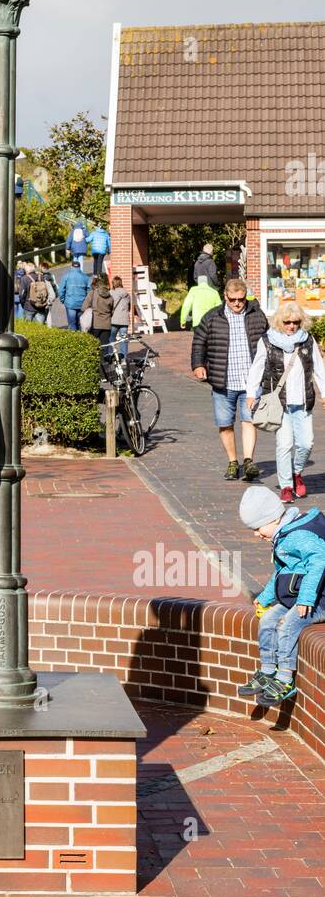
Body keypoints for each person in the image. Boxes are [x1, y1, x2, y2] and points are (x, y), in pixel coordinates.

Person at [238, 485, 325, 706]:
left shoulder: (299, 536)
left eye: (258, 528)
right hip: (297, 597)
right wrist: (266, 598)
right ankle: (268, 670)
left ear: (274, 519)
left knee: (287, 625)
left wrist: (306, 598)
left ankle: (285, 679)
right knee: (267, 619)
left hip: (318, 599)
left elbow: (320, 560)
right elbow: (282, 572)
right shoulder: (284, 535)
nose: (257, 534)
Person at [245, 301, 325, 503]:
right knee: (284, 444)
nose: (291, 326)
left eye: (295, 322)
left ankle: (297, 472)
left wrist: (324, 392)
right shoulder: (268, 341)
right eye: (287, 322)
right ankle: (287, 486)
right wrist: (251, 392)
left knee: (306, 443)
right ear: (280, 321)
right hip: (279, 403)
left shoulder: (307, 340)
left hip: (303, 402)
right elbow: (257, 366)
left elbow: (318, 368)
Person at [191, 277, 268, 481]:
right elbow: (199, 342)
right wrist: (198, 364)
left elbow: (268, 344)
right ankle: (233, 462)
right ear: (225, 296)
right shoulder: (212, 317)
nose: (236, 303)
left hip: (250, 382)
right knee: (225, 424)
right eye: (232, 299)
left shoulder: (257, 316)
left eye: (240, 300)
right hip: (222, 380)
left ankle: (249, 461)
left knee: (249, 420)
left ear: (245, 298)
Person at [81, 274, 112, 347]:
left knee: (93, 346)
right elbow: (112, 310)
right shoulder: (109, 294)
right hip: (107, 324)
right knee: (105, 346)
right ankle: (104, 358)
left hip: (95, 324)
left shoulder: (92, 293)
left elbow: (84, 307)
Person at [58, 259, 89, 331]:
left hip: (70, 303)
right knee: (81, 323)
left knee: (72, 324)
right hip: (82, 303)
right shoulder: (85, 277)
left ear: (71, 267)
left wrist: (63, 300)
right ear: (79, 267)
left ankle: (74, 339)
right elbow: (89, 290)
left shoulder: (66, 276)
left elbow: (61, 290)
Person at [109, 275, 131, 355]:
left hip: (114, 320)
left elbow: (109, 306)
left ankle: (111, 356)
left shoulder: (111, 293)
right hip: (124, 320)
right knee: (124, 339)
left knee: (111, 338)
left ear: (113, 283)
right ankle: (124, 358)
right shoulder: (126, 294)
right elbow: (129, 307)